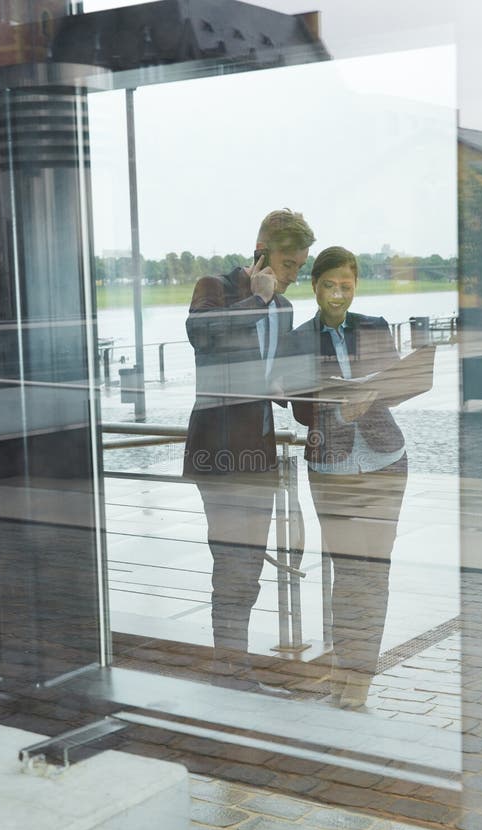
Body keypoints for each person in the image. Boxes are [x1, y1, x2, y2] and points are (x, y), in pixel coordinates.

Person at [279, 246, 422, 709]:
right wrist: (338, 410)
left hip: (386, 461)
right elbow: (301, 412)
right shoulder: (299, 340)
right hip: (331, 468)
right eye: (329, 285)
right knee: (347, 571)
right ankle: (345, 665)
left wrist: (380, 390)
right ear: (315, 286)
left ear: (355, 285)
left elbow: (395, 386)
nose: (338, 293)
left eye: (346, 285)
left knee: (374, 571)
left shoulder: (374, 327)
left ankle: (360, 676)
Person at [183, 209, 315, 683]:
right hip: (217, 451)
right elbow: (201, 337)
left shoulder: (285, 309)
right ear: (261, 252)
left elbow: (270, 375)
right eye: (288, 263)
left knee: (250, 565)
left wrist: (288, 387)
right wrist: (257, 299)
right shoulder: (214, 287)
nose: (293, 275)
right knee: (231, 561)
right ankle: (231, 669)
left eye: (300, 266)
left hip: (258, 452)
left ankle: (232, 666)